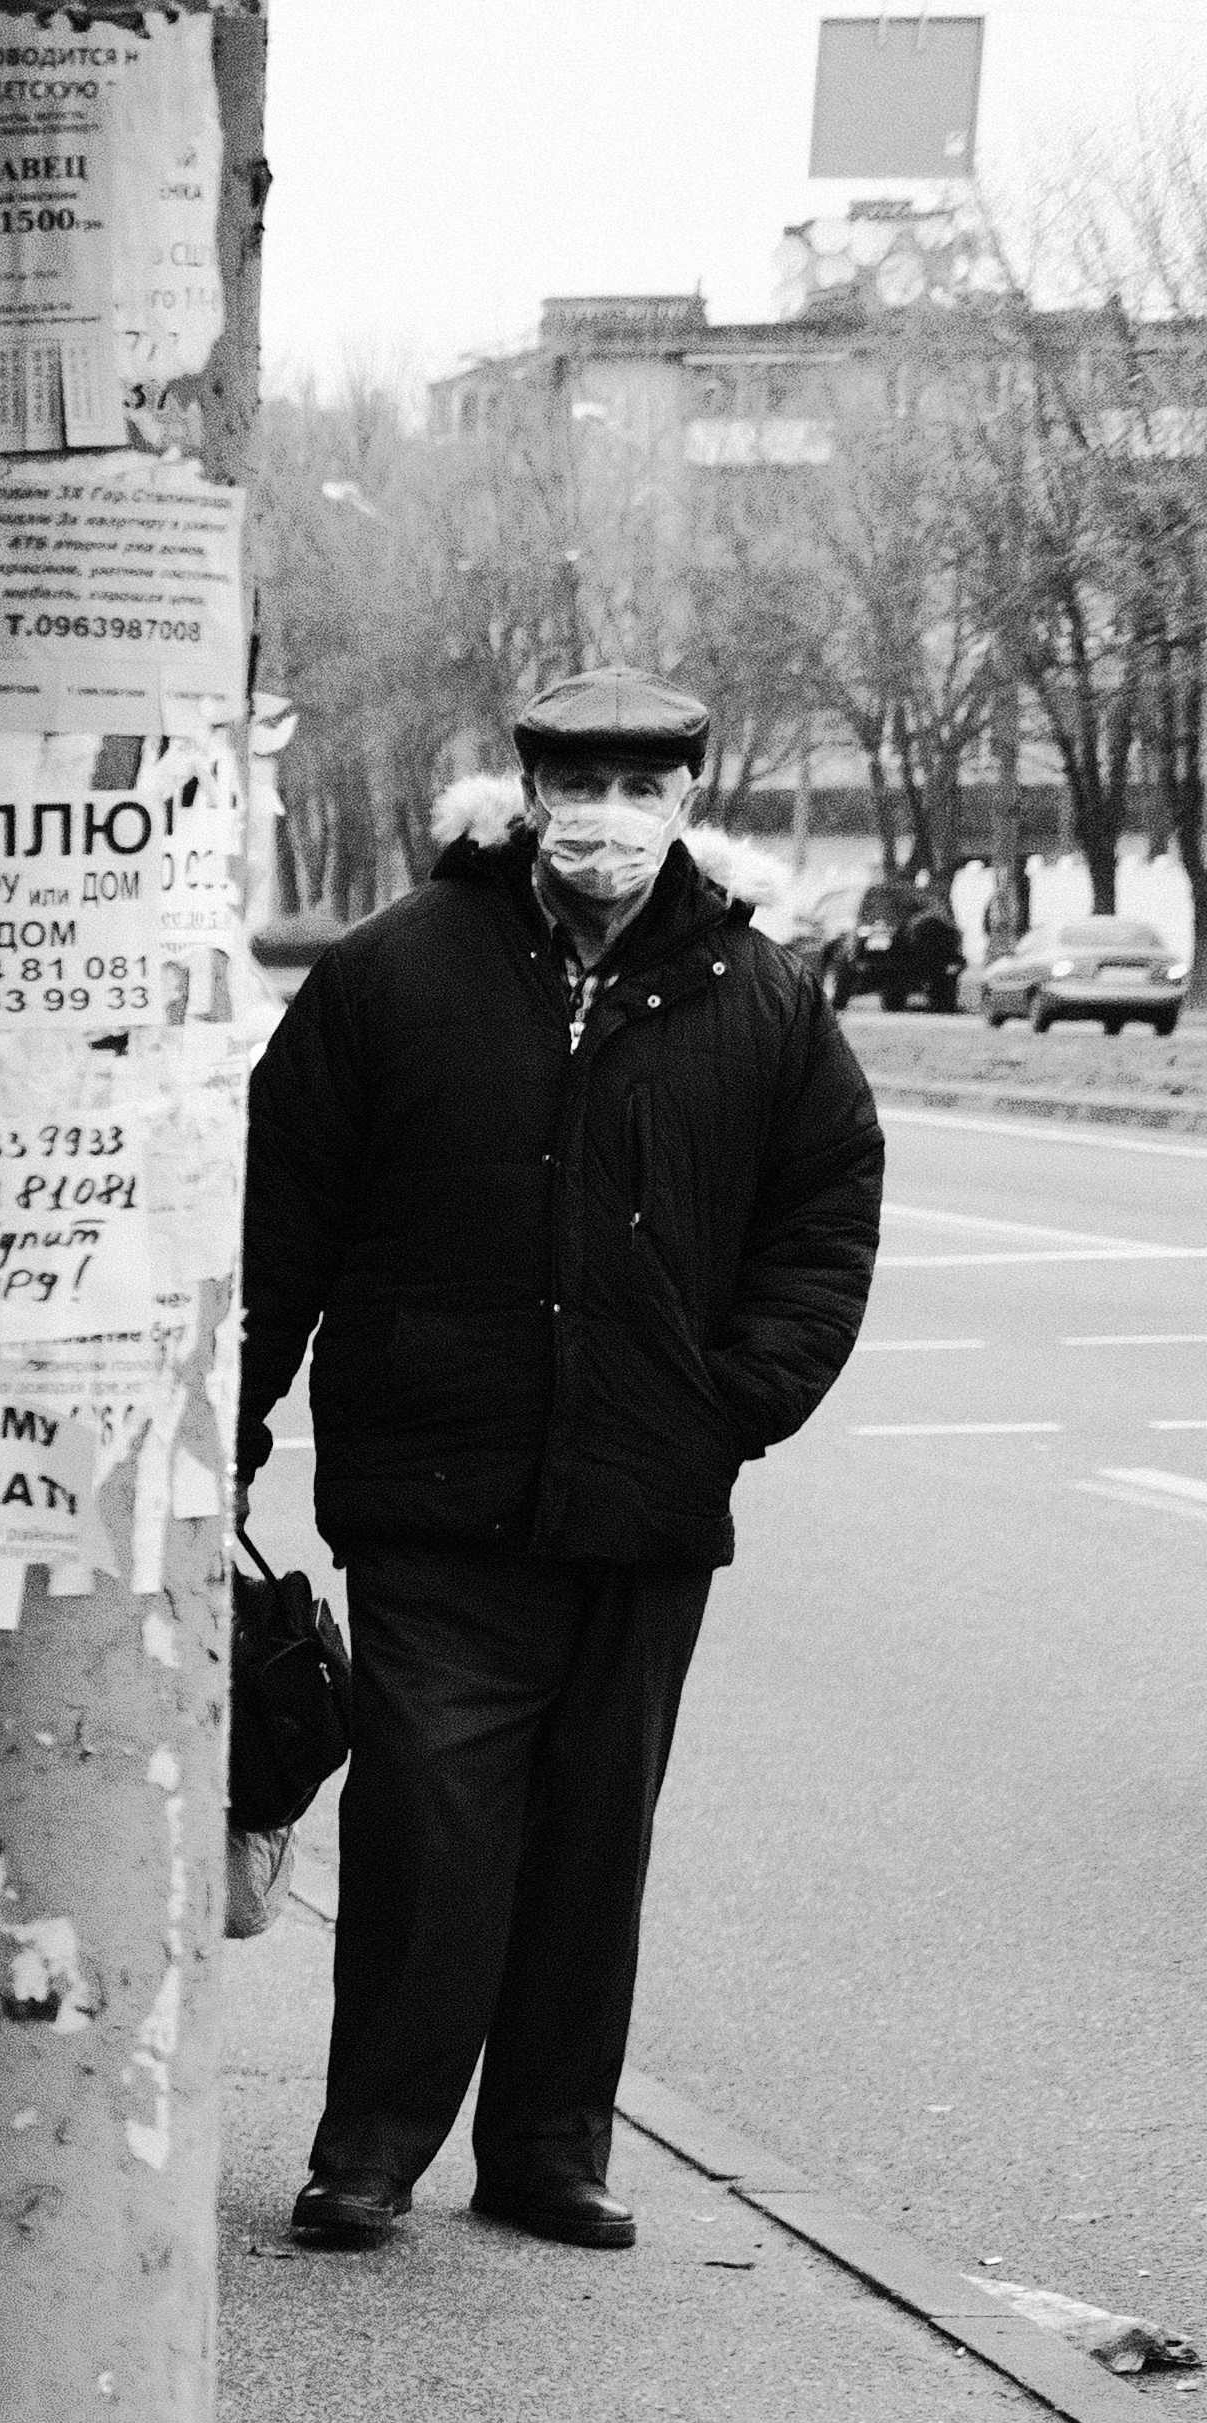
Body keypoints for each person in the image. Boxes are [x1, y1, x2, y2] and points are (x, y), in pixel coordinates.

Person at [236, 665, 885, 2252]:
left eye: (639, 789)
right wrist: (228, 1423)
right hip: (434, 1489)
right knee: (425, 1828)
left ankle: (546, 2153)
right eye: (578, 787)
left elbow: (827, 1217)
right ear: (527, 794)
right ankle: (371, 2149)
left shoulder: (758, 994)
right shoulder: (398, 970)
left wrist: (733, 1401)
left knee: (595, 1840)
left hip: (645, 1499)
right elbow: (277, 1218)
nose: (607, 820)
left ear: (683, 802)